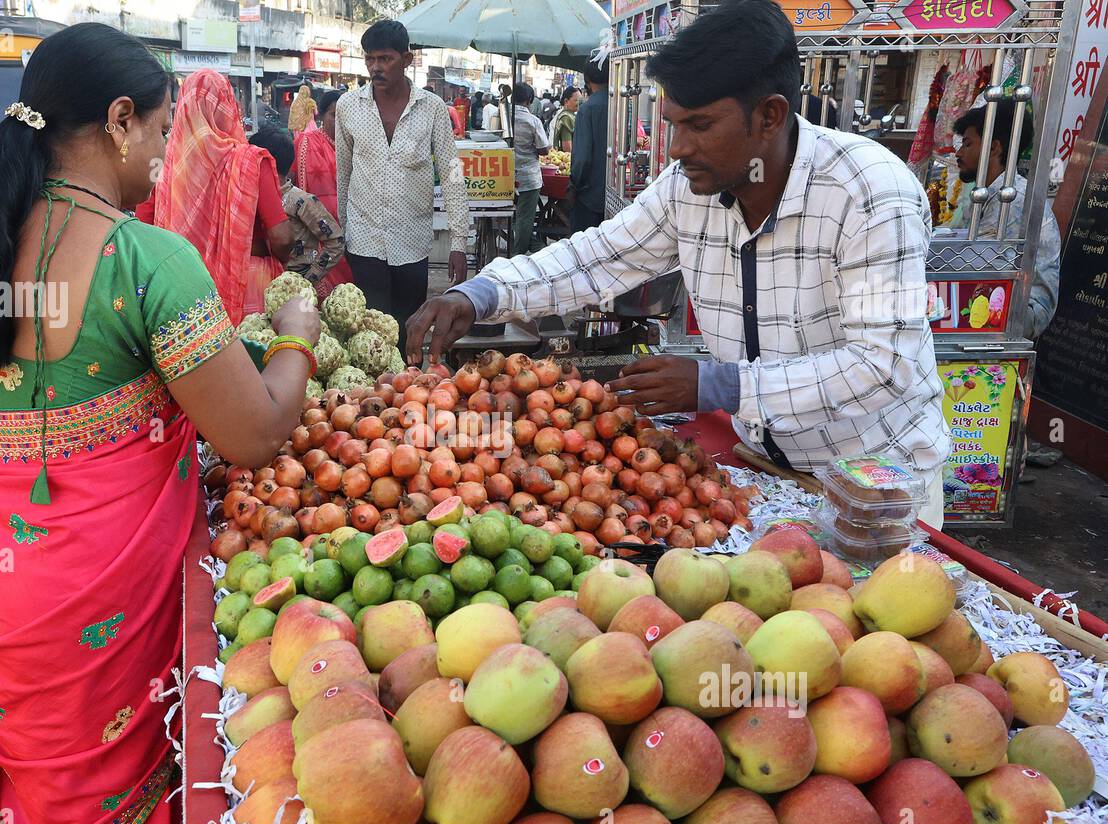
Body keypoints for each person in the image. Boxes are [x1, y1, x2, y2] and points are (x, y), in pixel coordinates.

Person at [0, 22, 319, 824]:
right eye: (160, 133)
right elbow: (258, 433)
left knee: (36, 787)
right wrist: (296, 337)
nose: (164, 156)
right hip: (96, 589)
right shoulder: (149, 261)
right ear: (120, 121)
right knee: (112, 801)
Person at [407, 0, 949, 528]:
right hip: (764, 474)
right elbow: (595, 258)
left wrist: (721, 386)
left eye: (700, 125)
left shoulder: (873, 195)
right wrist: (482, 293)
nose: (677, 147)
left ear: (770, 115)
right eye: (672, 123)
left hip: (877, 489)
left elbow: (883, 364)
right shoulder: (686, 190)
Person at [337, 20, 469, 348]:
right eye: (370, 59)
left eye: (385, 59)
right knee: (369, 339)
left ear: (407, 60)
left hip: (412, 242)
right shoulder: (348, 107)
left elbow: (452, 175)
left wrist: (459, 242)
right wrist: (342, 233)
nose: (376, 68)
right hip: (364, 240)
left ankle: (409, 392)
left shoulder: (432, 109)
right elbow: (344, 174)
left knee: (411, 329)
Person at [139, 71, 292, 320]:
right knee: (256, 356)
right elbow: (282, 237)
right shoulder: (249, 162)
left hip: (182, 289)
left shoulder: (162, 166)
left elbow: (146, 235)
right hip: (248, 287)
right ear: (228, 106)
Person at [948, 103, 1060, 340]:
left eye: (967, 144)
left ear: (994, 148)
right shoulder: (985, 194)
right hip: (993, 297)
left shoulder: (1012, 199)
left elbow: (978, 266)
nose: (958, 153)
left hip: (1021, 313)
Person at [252, 126, 346, 291]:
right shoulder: (253, 197)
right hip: (265, 282)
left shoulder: (300, 200)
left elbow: (335, 241)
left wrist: (309, 279)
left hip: (298, 287)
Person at [292, 88, 355, 297]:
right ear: (322, 114)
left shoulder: (358, 146)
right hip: (321, 236)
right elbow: (298, 188)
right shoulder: (308, 142)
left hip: (354, 233)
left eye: (346, 116)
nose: (340, 121)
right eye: (334, 115)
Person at [566, 58, 609, 233]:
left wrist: (574, 186)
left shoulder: (587, 109)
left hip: (589, 196)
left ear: (588, 80)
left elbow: (582, 158)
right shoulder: (622, 104)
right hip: (614, 193)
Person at [511, 82, 550, 256]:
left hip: (505, 176)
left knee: (516, 217)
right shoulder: (533, 120)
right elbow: (544, 150)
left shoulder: (503, 117)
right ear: (529, 100)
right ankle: (523, 254)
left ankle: (535, 248)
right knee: (525, 218)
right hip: (529, 177)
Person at [552, 86, 581, 152]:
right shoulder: (566, 117)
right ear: (566, 101)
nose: (579, 103)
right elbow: (567, 148)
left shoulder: (569, 114)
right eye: (576, 100)